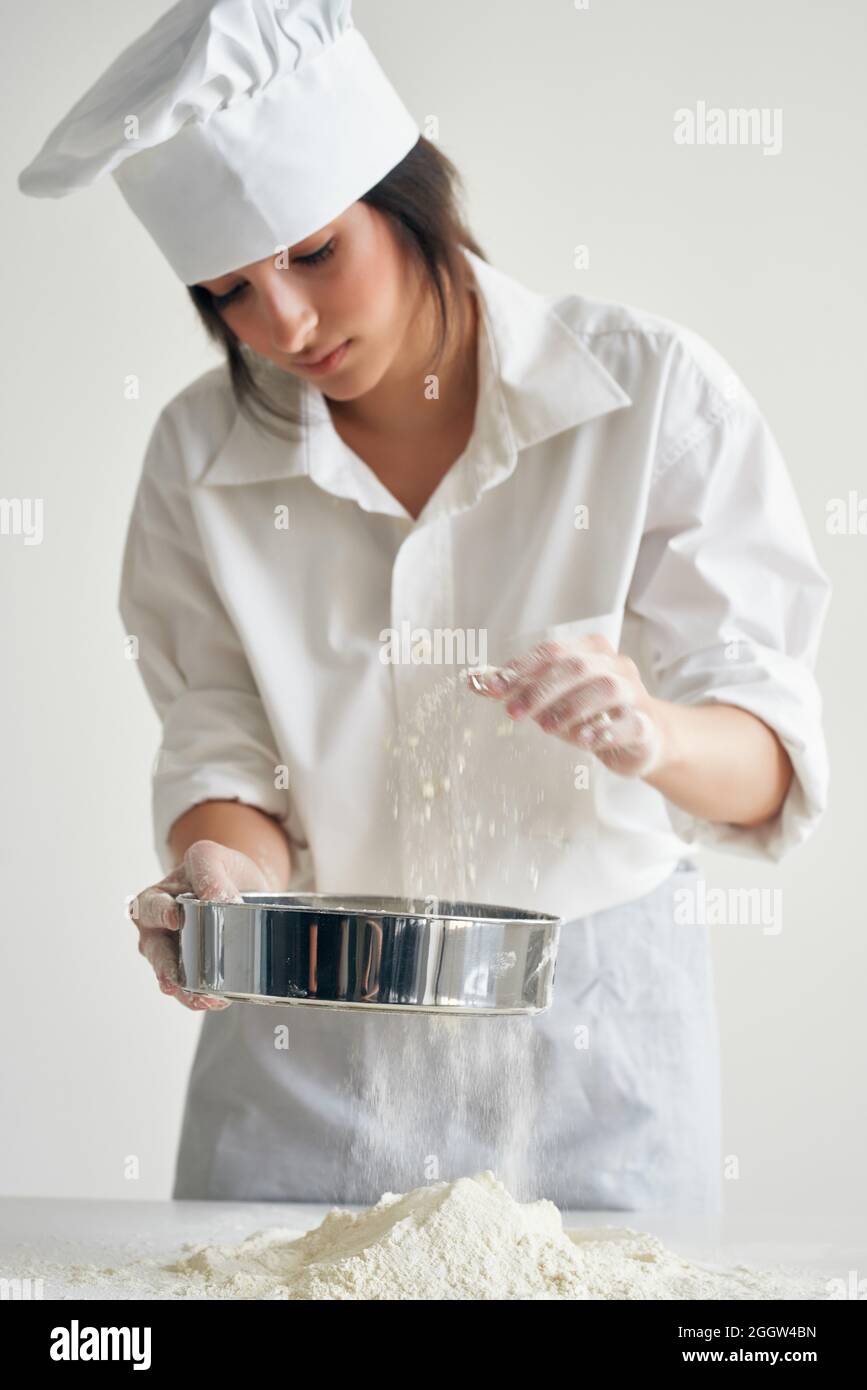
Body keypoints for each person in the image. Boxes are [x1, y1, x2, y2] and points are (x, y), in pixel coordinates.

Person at [19, 0, 830, 1215]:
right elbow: (229, 750)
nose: (283, 326)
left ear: (406, 201)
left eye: (313, 253)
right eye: (229, 290)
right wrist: (215, 879)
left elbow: (767, 763)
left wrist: (648, 728)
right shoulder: (198, 458)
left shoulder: (652, 397)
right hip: (307, 1045)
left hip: (596, 1038)